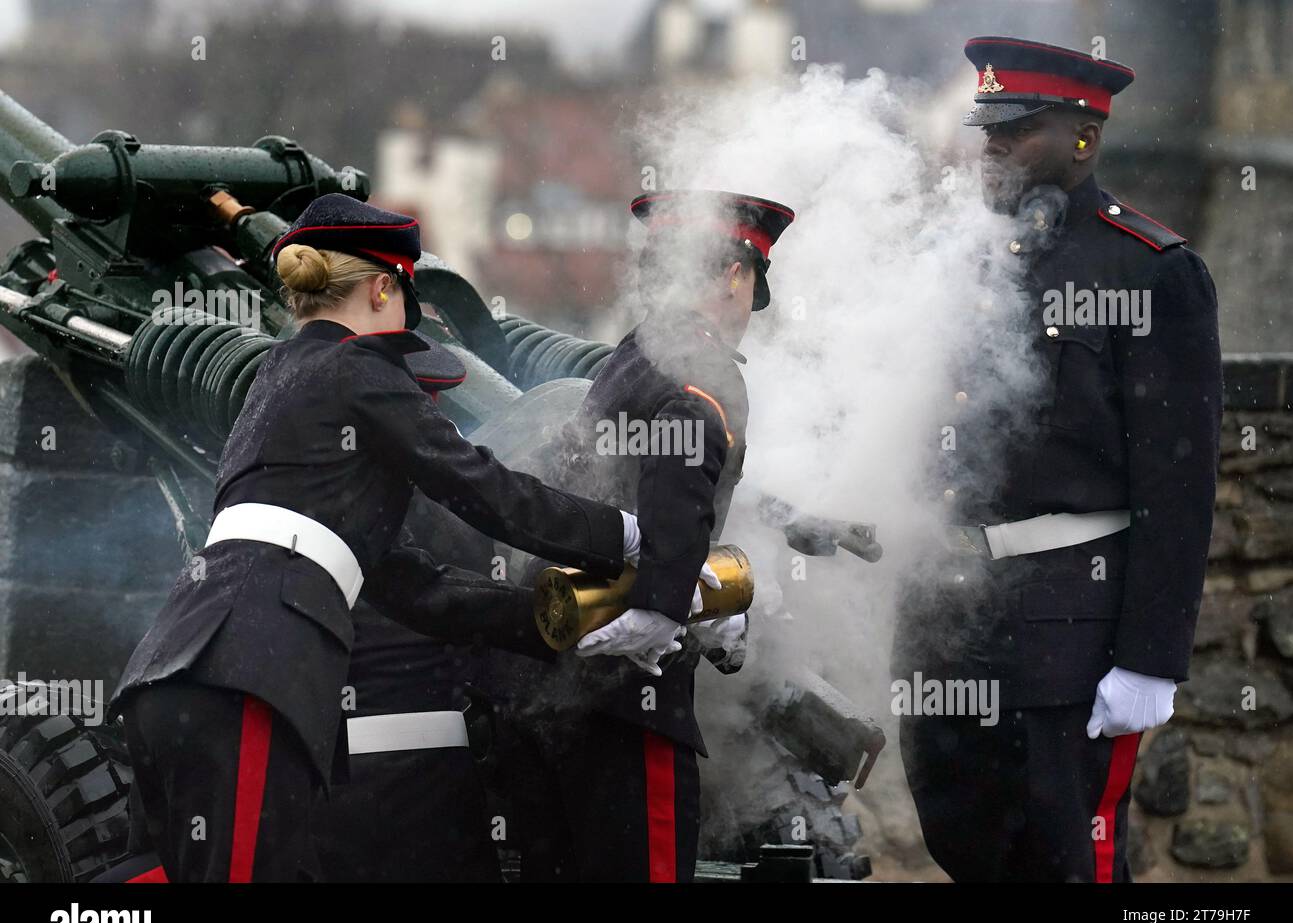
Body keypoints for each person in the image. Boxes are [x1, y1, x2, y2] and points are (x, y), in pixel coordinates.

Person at [108, 193, 668, 882]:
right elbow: (483, 488)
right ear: (384, 287)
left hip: (174, 675)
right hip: (253, 674)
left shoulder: (279, 380)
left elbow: (412, 586)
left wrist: (558, 621)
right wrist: (626, 535)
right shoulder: (359, 369)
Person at [892, 36, 1222, 882]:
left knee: (1063, 861)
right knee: (963, 845)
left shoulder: (1151, 272)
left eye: (1016, 129)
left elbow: (1176, 488)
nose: (990, 147)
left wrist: (1151, 657)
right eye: (986, 129)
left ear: (1083, 136)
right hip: (950, 630)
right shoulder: (964, 260)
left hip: (1067, 636)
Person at [479, 189, 795, 882]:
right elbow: (678, 485)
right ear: (736, 275)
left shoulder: (633, 355)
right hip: (628, 698)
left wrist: (702, 592)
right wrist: (663, 601)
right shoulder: (701, 373)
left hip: (546, 676)